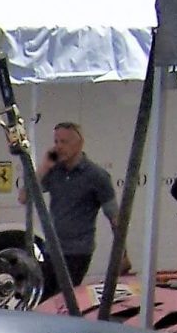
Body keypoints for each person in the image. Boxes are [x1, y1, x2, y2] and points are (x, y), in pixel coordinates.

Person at [30, 122, 123, 286]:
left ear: (79, 144)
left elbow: (115, 218)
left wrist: (122, 255)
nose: (58, 147)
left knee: (64, 300)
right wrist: (44, 167)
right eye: (56, 142)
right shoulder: (54, 171)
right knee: (46, 300)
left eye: (64, 142)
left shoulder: (96, 176)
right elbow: (24, 196)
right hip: (52, 250)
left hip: (77, 252)